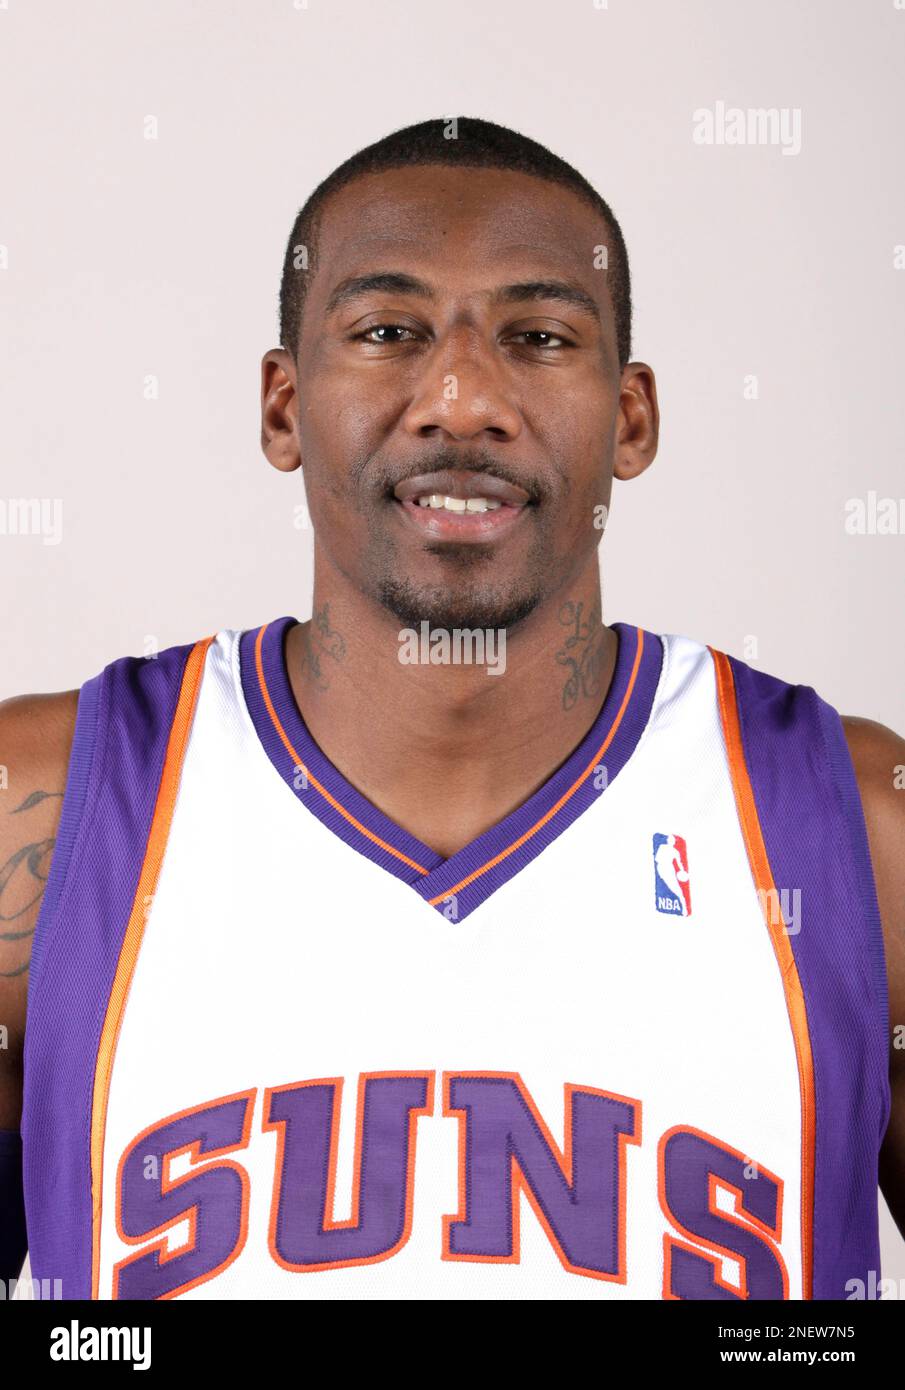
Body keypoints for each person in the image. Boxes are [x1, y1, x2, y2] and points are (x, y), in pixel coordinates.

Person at [1, 116, 902, 1300]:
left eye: (535, 336)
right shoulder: (50, 805)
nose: (462, 399)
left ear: (629, 417)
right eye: (387, 331)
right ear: (281, 407)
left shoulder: (856, 827)